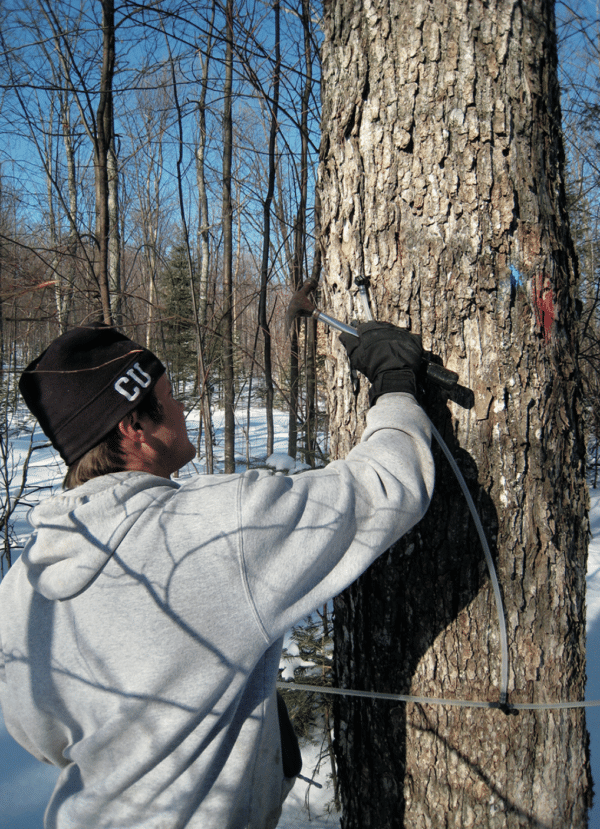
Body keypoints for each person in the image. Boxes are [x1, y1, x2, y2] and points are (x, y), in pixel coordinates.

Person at [0, 319, 434, 829]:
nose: (183, 408)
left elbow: (39, 734)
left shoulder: (21, 585)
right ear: (133, 427)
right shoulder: (211, 529)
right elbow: (386, 485)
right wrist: (396, 385)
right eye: (169, 395)